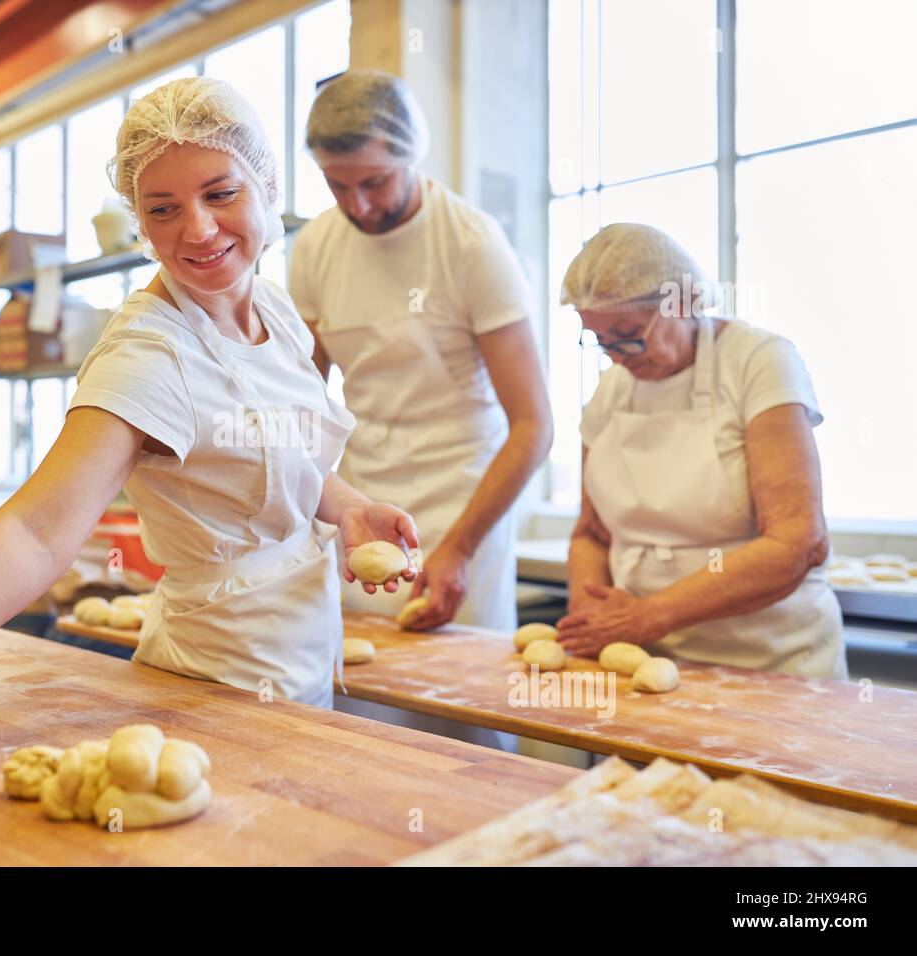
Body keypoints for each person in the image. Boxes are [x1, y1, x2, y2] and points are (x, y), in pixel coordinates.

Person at [0, 77, 420, 807]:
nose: (198, 229)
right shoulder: (150, 357)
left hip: (304, 672)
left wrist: (345, 509)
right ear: (139, 222)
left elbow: (284, 459)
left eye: (220, 194)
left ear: (267, 185)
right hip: (212, 698)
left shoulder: (274, 312)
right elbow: (33, 533)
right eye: (163, 208)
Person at [290, 70, 552, 633]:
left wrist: (459, 546)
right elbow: (300, 401)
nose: (357, 205)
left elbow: (534, 425)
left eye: (375, 182)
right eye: (337, 186)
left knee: (461, 697)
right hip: (364, 501)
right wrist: (309, 509)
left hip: (463, 501)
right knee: (364, 694)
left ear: (411, 157)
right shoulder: (315, 247)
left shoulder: (471, 244)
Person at [557, 223, 846, 678]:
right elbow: (592, 533)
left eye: (629, 334)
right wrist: (590, 615)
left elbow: (796, 541)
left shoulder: (759, 362)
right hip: (645, 659)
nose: (615, 356)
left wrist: (645, 615)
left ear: (683, 302)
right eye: (599, 340)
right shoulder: (609, 391)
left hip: (773, 661)